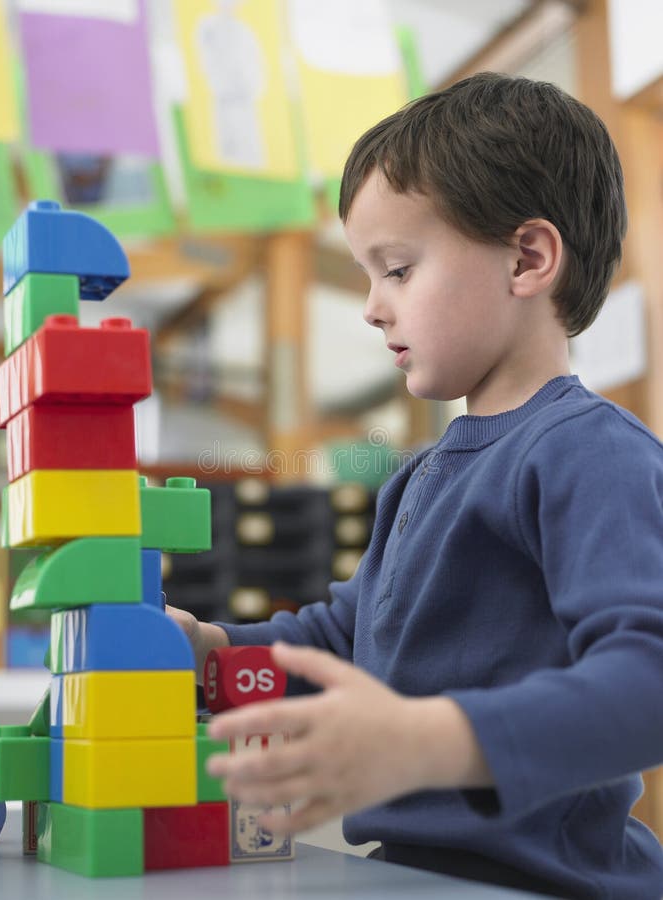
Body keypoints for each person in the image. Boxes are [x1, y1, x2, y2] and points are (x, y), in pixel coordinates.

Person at [168, 73, 663, 899]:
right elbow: (345, 642)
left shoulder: (589, 455)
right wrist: (212, 659)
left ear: (528, 259)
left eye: (396, 269)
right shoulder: (421, 478)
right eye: (366, 275)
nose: (370, 307)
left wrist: (435, 741)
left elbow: (651, 678)